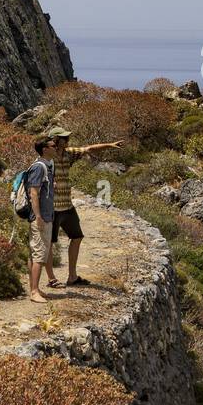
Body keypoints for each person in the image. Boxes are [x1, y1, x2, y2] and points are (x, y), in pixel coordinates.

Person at [42, 127, 123, 288]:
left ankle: (72, 277)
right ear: (56, 140)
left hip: (67, 206)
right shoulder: (46, 158)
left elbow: (88, 149)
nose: (68, 140)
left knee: (77, 237)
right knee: (49, 243)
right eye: (64, 138)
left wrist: (110, 145)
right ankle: (51, 278)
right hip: (52, 208)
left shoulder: (68, 153)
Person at [24, 138, 57, 303]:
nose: (56, 148)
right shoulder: (39, 167)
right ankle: (34, 291)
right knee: (39, 254)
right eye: (53, 146)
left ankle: (34, 288)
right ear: (44, 149)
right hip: (41, 217)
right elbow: (34, 193)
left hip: (45, 215)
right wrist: (38, 216)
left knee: (35, 253)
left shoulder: (47, 166)